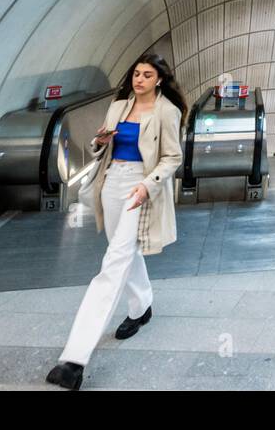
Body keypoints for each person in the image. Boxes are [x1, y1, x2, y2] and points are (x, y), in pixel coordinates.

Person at [45, 53, 187, 390]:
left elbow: (172, 157)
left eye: (147, 75)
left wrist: (147, 186)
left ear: (159, 80)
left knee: (113, 264)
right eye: (136, 73)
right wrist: (99, 142)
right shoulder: (118, 106)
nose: (139, 79)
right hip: (112, 183)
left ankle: (74, 359)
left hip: (140, 186)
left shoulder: (168, 112)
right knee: (122, 252)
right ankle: (142, 307)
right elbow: (100, 148)